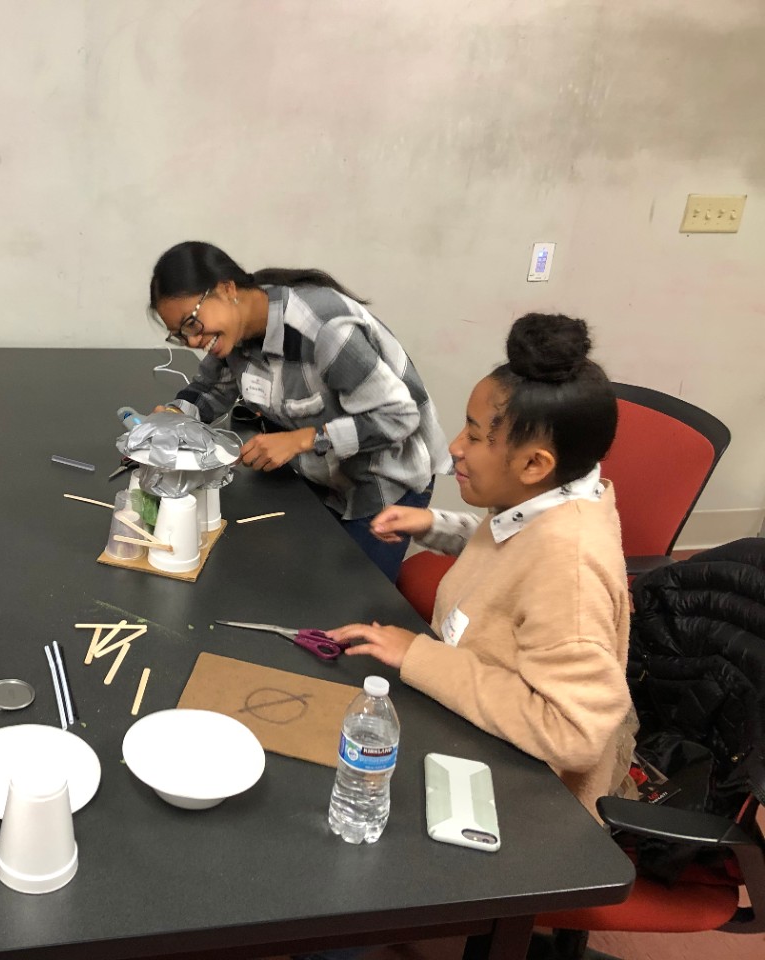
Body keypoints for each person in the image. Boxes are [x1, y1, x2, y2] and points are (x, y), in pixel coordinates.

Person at [329, 314, 636, 815]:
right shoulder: (553, 506)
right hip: (473, 722)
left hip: (523, 794)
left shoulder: (571, 569)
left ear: (535, 465)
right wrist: (433, 524)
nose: (455, 448)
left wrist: (418, 656)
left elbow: (573, 733)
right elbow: (515, 550)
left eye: (474, 436)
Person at [148, 241, 450, 581]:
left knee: (350, 604)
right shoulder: (235, 331)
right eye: (180, 335)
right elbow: (212, 389)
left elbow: (399, 417)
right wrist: (175, 415)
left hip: (384, 486)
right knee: (299, 586)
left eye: (192, 324)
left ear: (226, 289)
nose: (192, 341)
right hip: (322, 477)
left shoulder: (324, 329)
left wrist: (305, 439)